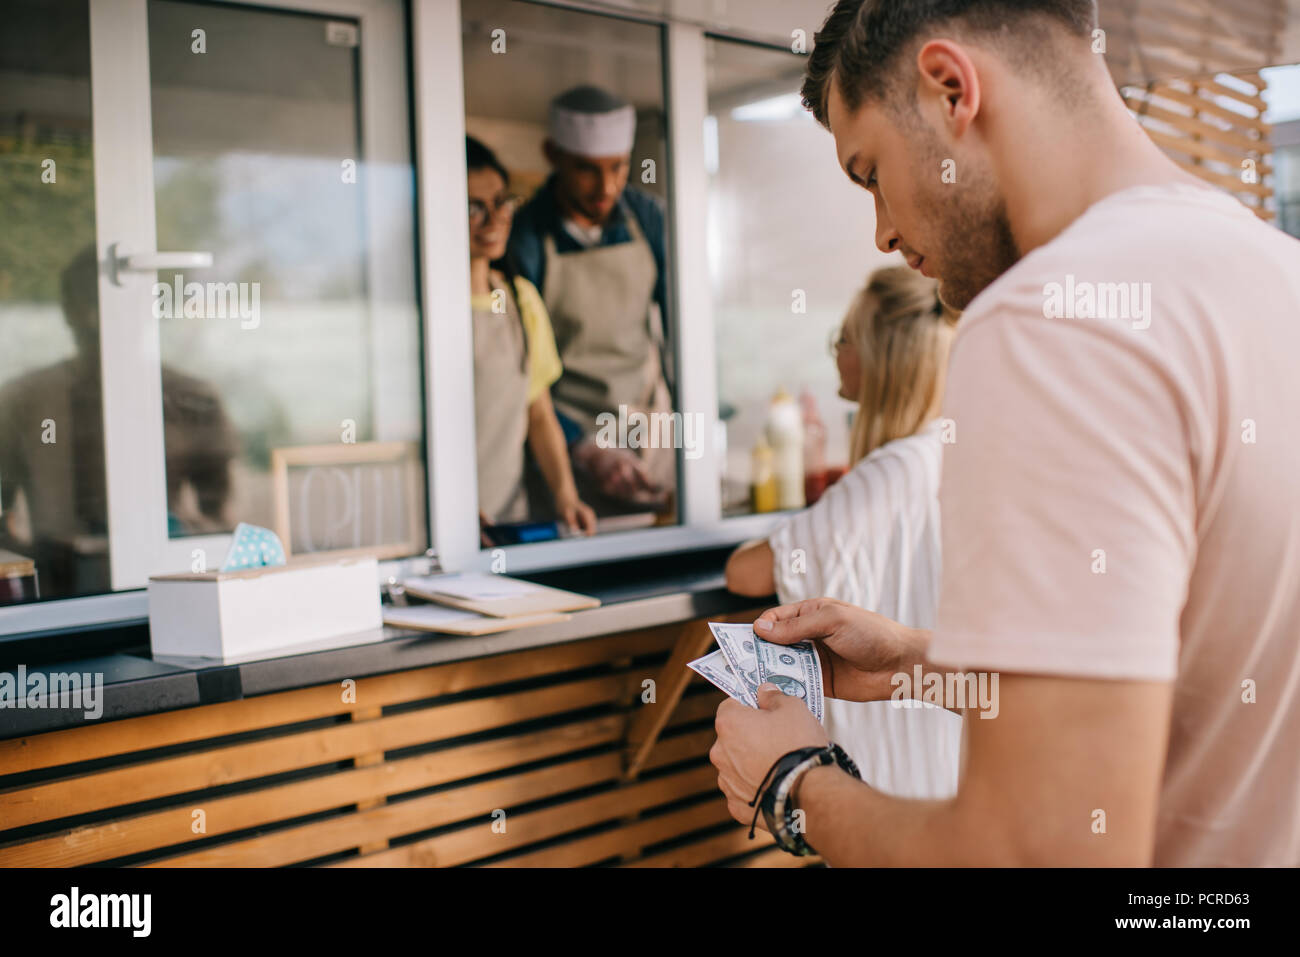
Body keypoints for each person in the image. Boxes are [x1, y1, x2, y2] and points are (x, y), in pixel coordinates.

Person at [710, 0, 1300, 866]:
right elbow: (1185, 691)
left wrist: (794, 783)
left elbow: (1031, 854)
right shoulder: (1276, 275)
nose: (881, 232)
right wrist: (917, 662)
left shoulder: (1047, 322)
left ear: (951, 88)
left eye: (870, 172)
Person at [725, 266, 962, 799]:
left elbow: (745, 572)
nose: (836, 352)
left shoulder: (891, 473)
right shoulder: (959, 451)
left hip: (894, 797)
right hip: (959, 776)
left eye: (844, 338)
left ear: (880, 358)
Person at [508, 85, 674, 515]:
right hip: (566, 445)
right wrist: (584, 449)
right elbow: (521, 371)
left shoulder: (648, 218)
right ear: (553, 154)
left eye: (619, 167)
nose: (607, 186)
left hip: (647, 431)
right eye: (586, 169)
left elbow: (680, 330)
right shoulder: (525, 236)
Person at [465, 136, 596, 538]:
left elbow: (538, 414)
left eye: (502, 202)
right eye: (474, 208)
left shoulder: (521, 300)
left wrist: (566, 496)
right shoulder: (425, 309)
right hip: (441, 523)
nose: (495, 219)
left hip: (506, 521)